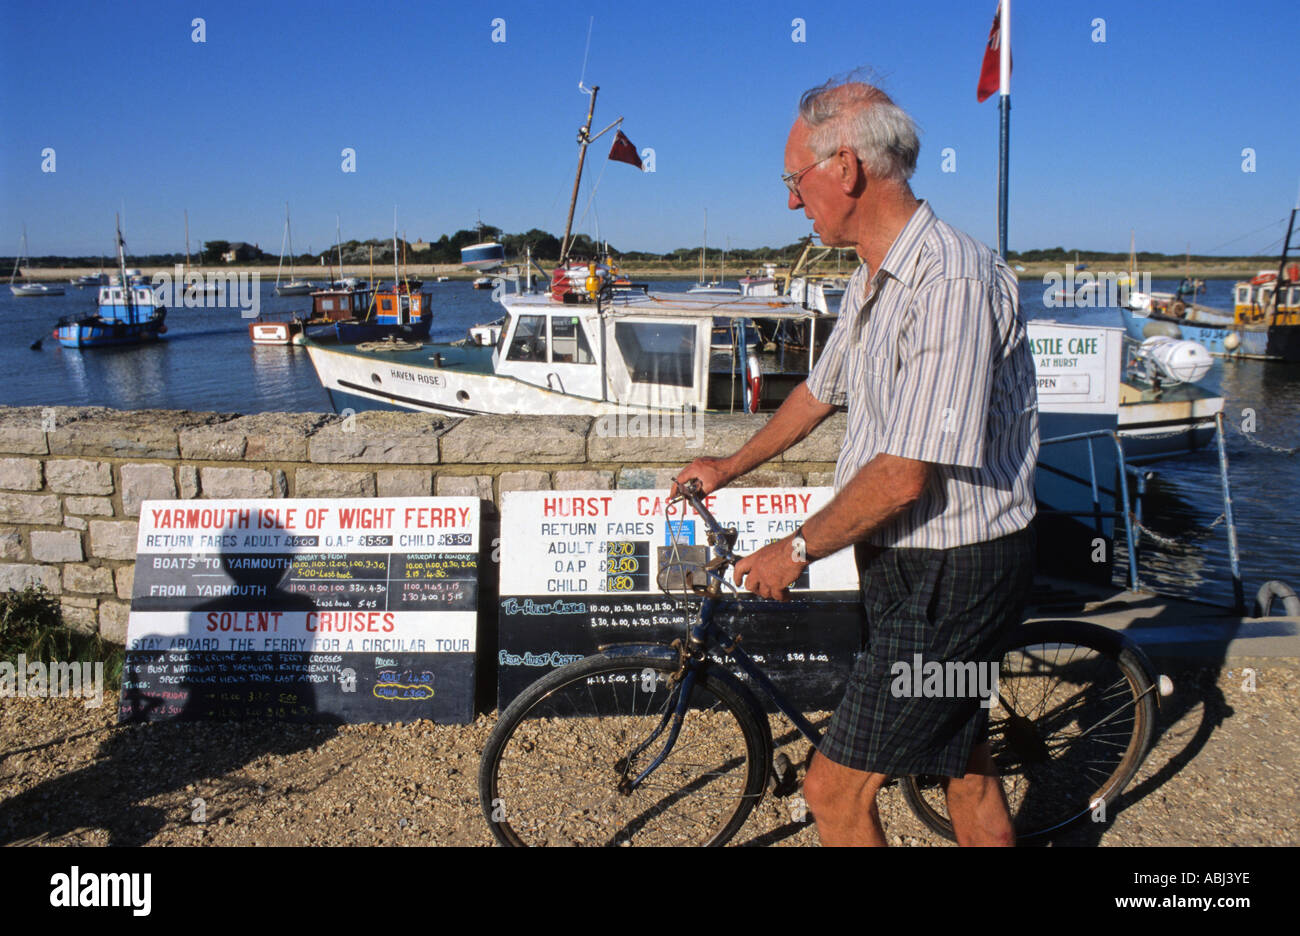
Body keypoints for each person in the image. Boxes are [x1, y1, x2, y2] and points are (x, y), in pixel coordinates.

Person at [673, 75, 1038, 846]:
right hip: (907, 560)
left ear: (845, 167)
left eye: (792, 179)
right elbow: (818, 390)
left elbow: (907, 473)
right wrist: (729, 465)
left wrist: (797, 548)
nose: (790, 201)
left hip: (956, 571)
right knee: (963, 765)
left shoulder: (951, 281)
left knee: (833, 794)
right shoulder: (874, 275)